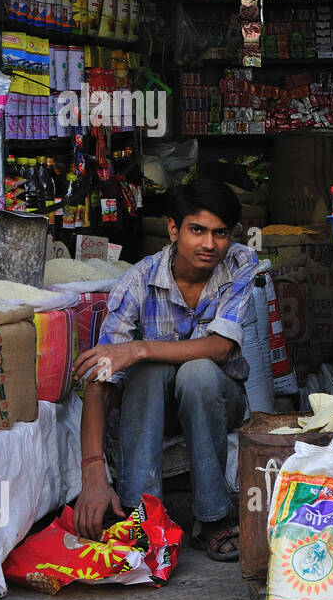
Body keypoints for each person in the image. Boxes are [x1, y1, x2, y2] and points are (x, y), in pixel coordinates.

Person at [72, 179, 258, 561]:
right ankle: (140, 515)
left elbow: (222, 347)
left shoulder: (241, 263)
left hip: (219, 400)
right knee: (146, 372)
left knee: (198, 371)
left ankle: (213, 517)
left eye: (220, 233)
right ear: (173, 229)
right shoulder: (138, 280)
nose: (210, 244)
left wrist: (138, 348)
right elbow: (101, 377)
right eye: (197, 230)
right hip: (154, 407)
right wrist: (92, 473)